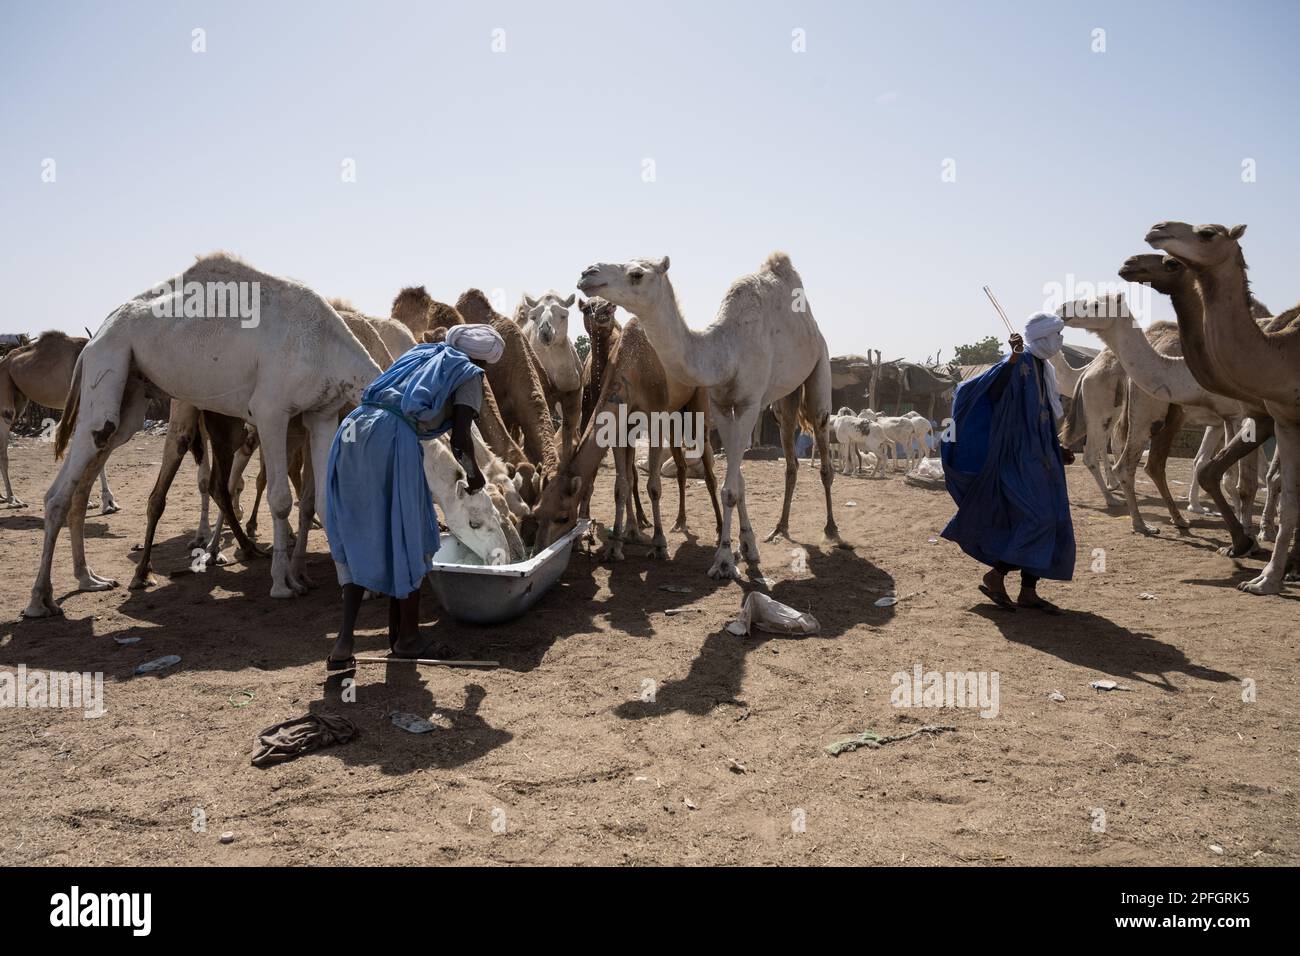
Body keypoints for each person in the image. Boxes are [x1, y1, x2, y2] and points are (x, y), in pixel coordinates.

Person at [323, 324, 505, 669]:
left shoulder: (421, 354)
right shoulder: (467, 372)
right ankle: (408, 639)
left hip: (353, 429)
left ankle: (346, 641)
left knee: (361, 533)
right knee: (408, 533)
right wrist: (474, 476)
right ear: (483, 360)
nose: (487, 373)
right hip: (391, 438)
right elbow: (460, 439)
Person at [940, 312, 1076, 613]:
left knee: (1053, 517)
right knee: (1035, 518)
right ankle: (995, 575)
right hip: (1014, 458)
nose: (1060, 341)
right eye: (1056, 335)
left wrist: (1056, 447)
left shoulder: (1043, 368)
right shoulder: (1017, 362)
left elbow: (1041, 417)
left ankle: (1028, 591)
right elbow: (985, 392)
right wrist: (1012, 359)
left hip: (1042, 457)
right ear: (1041, 338)